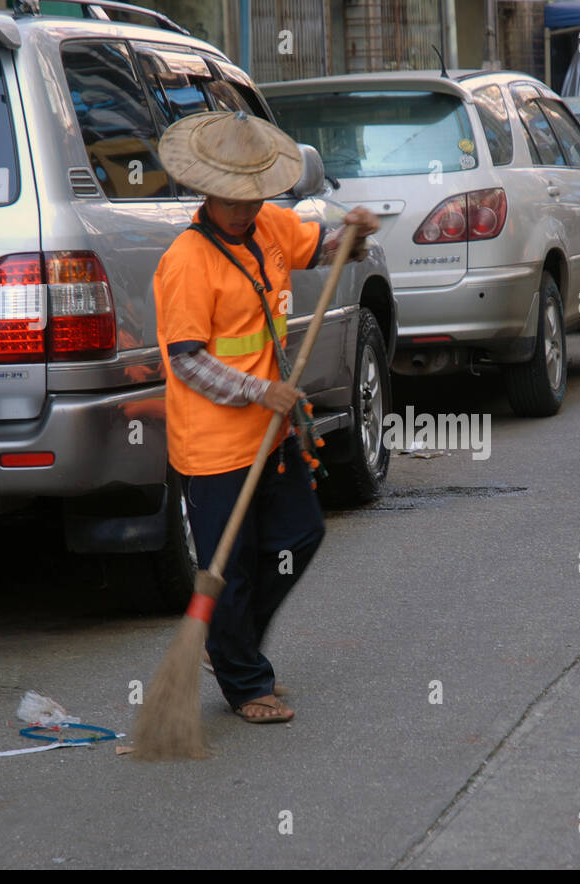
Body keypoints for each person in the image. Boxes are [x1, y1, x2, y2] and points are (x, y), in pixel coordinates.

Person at [153, 110, 380, 723]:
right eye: (230, 199)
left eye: (252, 197)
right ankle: (247, 681)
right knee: (232, 562)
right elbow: (187, 362)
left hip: (272, 434)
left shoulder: (270, 226)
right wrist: (259, 391)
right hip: (213, 444)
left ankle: (229, 643)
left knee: (300, 535)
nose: (242, 209)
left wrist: (355, 233)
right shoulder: (185, 261)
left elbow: (328, 250)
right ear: (205, 191)